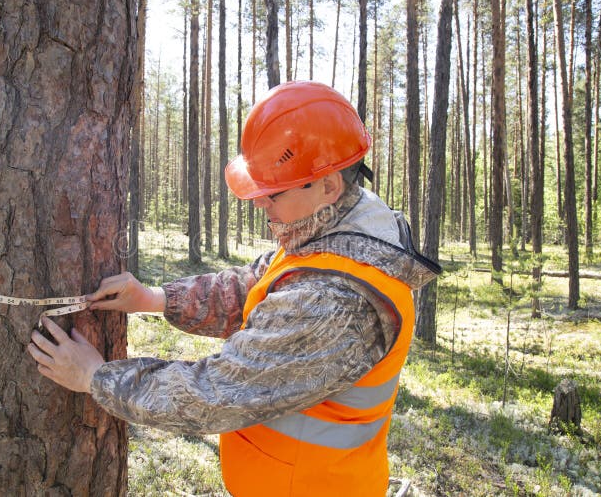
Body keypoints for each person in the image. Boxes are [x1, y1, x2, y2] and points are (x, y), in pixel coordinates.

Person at [27, 81, 441, 497]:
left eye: (271, 193)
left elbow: (216, 393)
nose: (259, 204)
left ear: (329, 186)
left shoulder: (338, 301)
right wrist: (154, 299)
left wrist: (96, 377)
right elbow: (251, 286)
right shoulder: (327, 233)